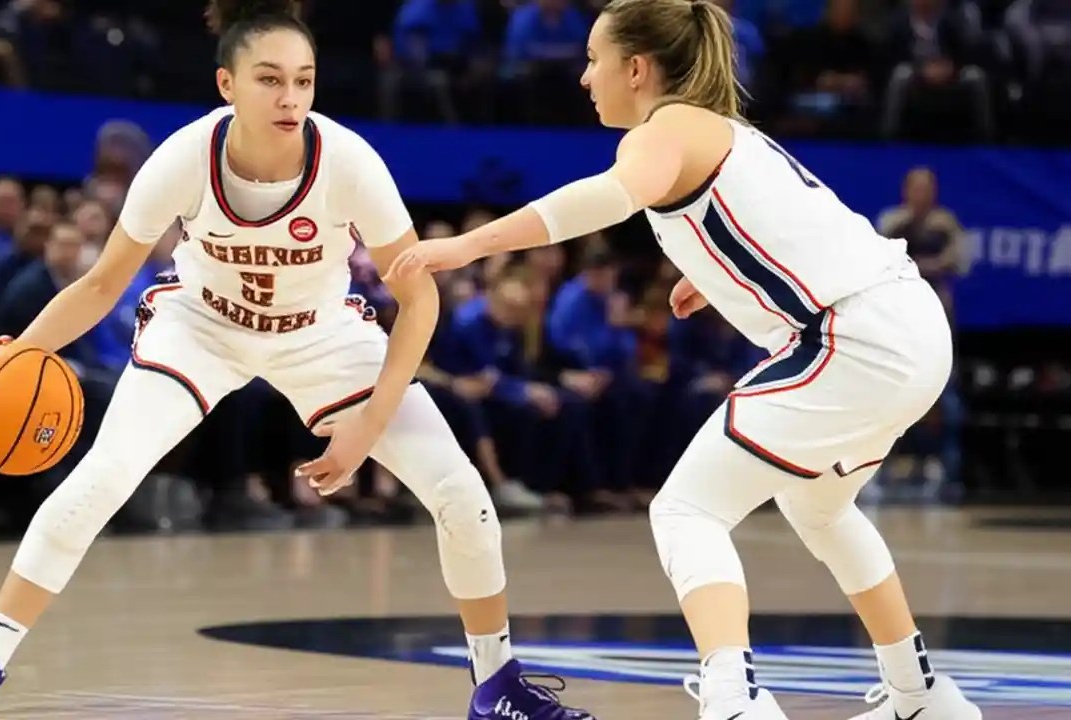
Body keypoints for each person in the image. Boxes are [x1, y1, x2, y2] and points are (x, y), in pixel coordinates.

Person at [0, 2, 592, 719]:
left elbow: (419, 302)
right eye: (270, 80)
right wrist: (14, 353)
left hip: (320, 332)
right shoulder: (181, 158)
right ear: (227, 84)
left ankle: (498, 685)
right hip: (201, 326)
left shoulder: (349, 161)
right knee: (100, 480)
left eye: (304, 80)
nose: (291, 97)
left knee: (463, 496)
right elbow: (102, 283)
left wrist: (368, 427)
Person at [385, 1, 983, 719]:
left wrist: (468, 246)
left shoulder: (665, 127)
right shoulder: (722, 131)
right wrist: (717, 271)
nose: (583, 77)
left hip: (858, 339)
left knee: (685, 509)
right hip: (908, 329)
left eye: (592, 60)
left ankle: (734, 700)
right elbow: (790, 221)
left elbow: (602, 198)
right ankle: (921, 695)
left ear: (636, 69)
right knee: (819, 506)